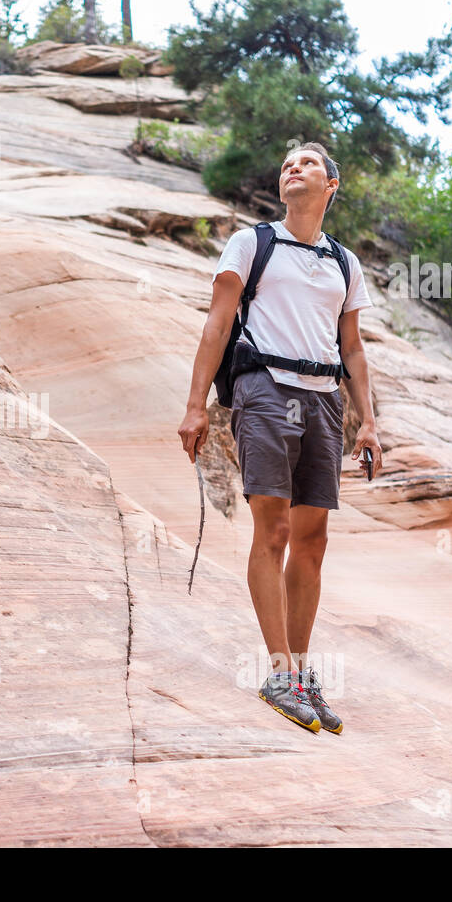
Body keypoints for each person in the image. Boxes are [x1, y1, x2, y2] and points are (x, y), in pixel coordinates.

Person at [177, 142, 383, 734]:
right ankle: (278, 671)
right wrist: (196, 407)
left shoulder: (345, 262)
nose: (293, 168)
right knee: (276, 527)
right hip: (264, 388)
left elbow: (352, 346)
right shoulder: (252, 243)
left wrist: (366, 419)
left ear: (331, 185)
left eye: (308, 163)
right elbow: (217, 324)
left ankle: (299, 669)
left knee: (313, 539)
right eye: (287, 163)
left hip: (323, 399)